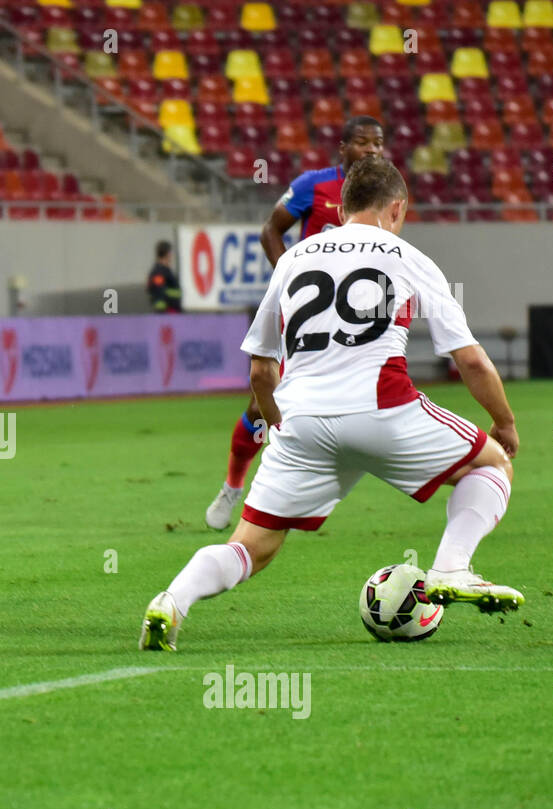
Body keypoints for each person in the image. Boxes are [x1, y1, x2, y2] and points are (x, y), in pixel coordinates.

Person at [141, 156, 523, 650]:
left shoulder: (295, 258)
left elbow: (260, 369)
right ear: (397, 209)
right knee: (492, 466)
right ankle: (452, 568)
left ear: (340, 209)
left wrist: (279, 427)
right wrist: (505, 422)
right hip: (383, 408)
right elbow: (470, 361)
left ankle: (171, 601)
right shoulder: (404, 254)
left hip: (301, 421)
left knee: (250, 547)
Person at [204, 116, 385, 530]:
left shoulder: (387, 193)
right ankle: (235, 486)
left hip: (358, 314)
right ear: (343, 148)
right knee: (263, 402)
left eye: (378, 143)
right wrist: (290, 279)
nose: (372, 150)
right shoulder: (313, 185)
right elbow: (271, 229)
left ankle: (311, 490)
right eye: (362, 142)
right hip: (311, 313)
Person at [147, 240, 180, 313]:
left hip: (173, 311)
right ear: (167, 254)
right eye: (170, 253)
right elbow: (160, 291)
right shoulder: (159, 272)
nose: (171, 256)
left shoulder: (166, 270)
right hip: (167, 312)